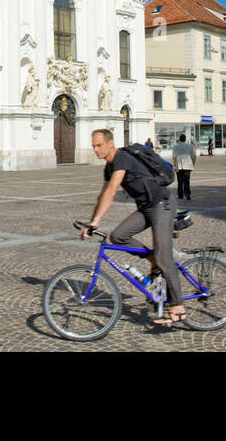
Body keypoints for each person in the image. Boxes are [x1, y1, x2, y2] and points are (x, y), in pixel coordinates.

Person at [82, 129, 185, 326]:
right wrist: (91, 221)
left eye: (99, 145)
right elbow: (102, 195)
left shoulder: (121, 158)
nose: (95, 149)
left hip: (162, 205)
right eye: (93, 146)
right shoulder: (109, 167)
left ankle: (178, 307)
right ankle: (153, 260)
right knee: (119, 236)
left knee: (165, 258)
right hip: (146, 207)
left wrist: (96, 222)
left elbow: (112, 191)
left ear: (110, 143)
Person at [172, 132, 197, 201]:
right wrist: (192, 163)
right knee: (186, 181)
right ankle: (187, 194)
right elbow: (193, 156)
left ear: (179, 139)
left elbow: (173, 157)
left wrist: (175, 164)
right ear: (185, 139)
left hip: (179, 166)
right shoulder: (189, 146)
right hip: (188, 166)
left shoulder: (175, 146)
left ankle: (180, 195)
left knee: (180, 182)